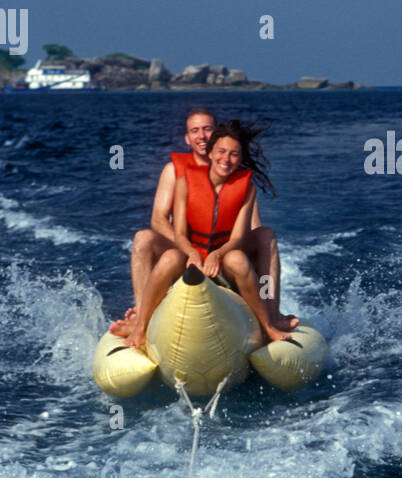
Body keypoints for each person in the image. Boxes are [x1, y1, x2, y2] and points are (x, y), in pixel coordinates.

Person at [109, 108, 296, 338]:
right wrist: (192, 251)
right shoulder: (176, 174)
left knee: (265, 236)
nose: (202, 136)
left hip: (226, 255)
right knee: (143, 238)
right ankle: (142, 315)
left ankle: (270, 314)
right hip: (184, 249)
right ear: (187, 138)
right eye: (195, 131)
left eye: (207, 129)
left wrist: (223, 255)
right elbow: (158, 219)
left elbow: (252, 228)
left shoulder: (240, 179)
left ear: (216, 134)